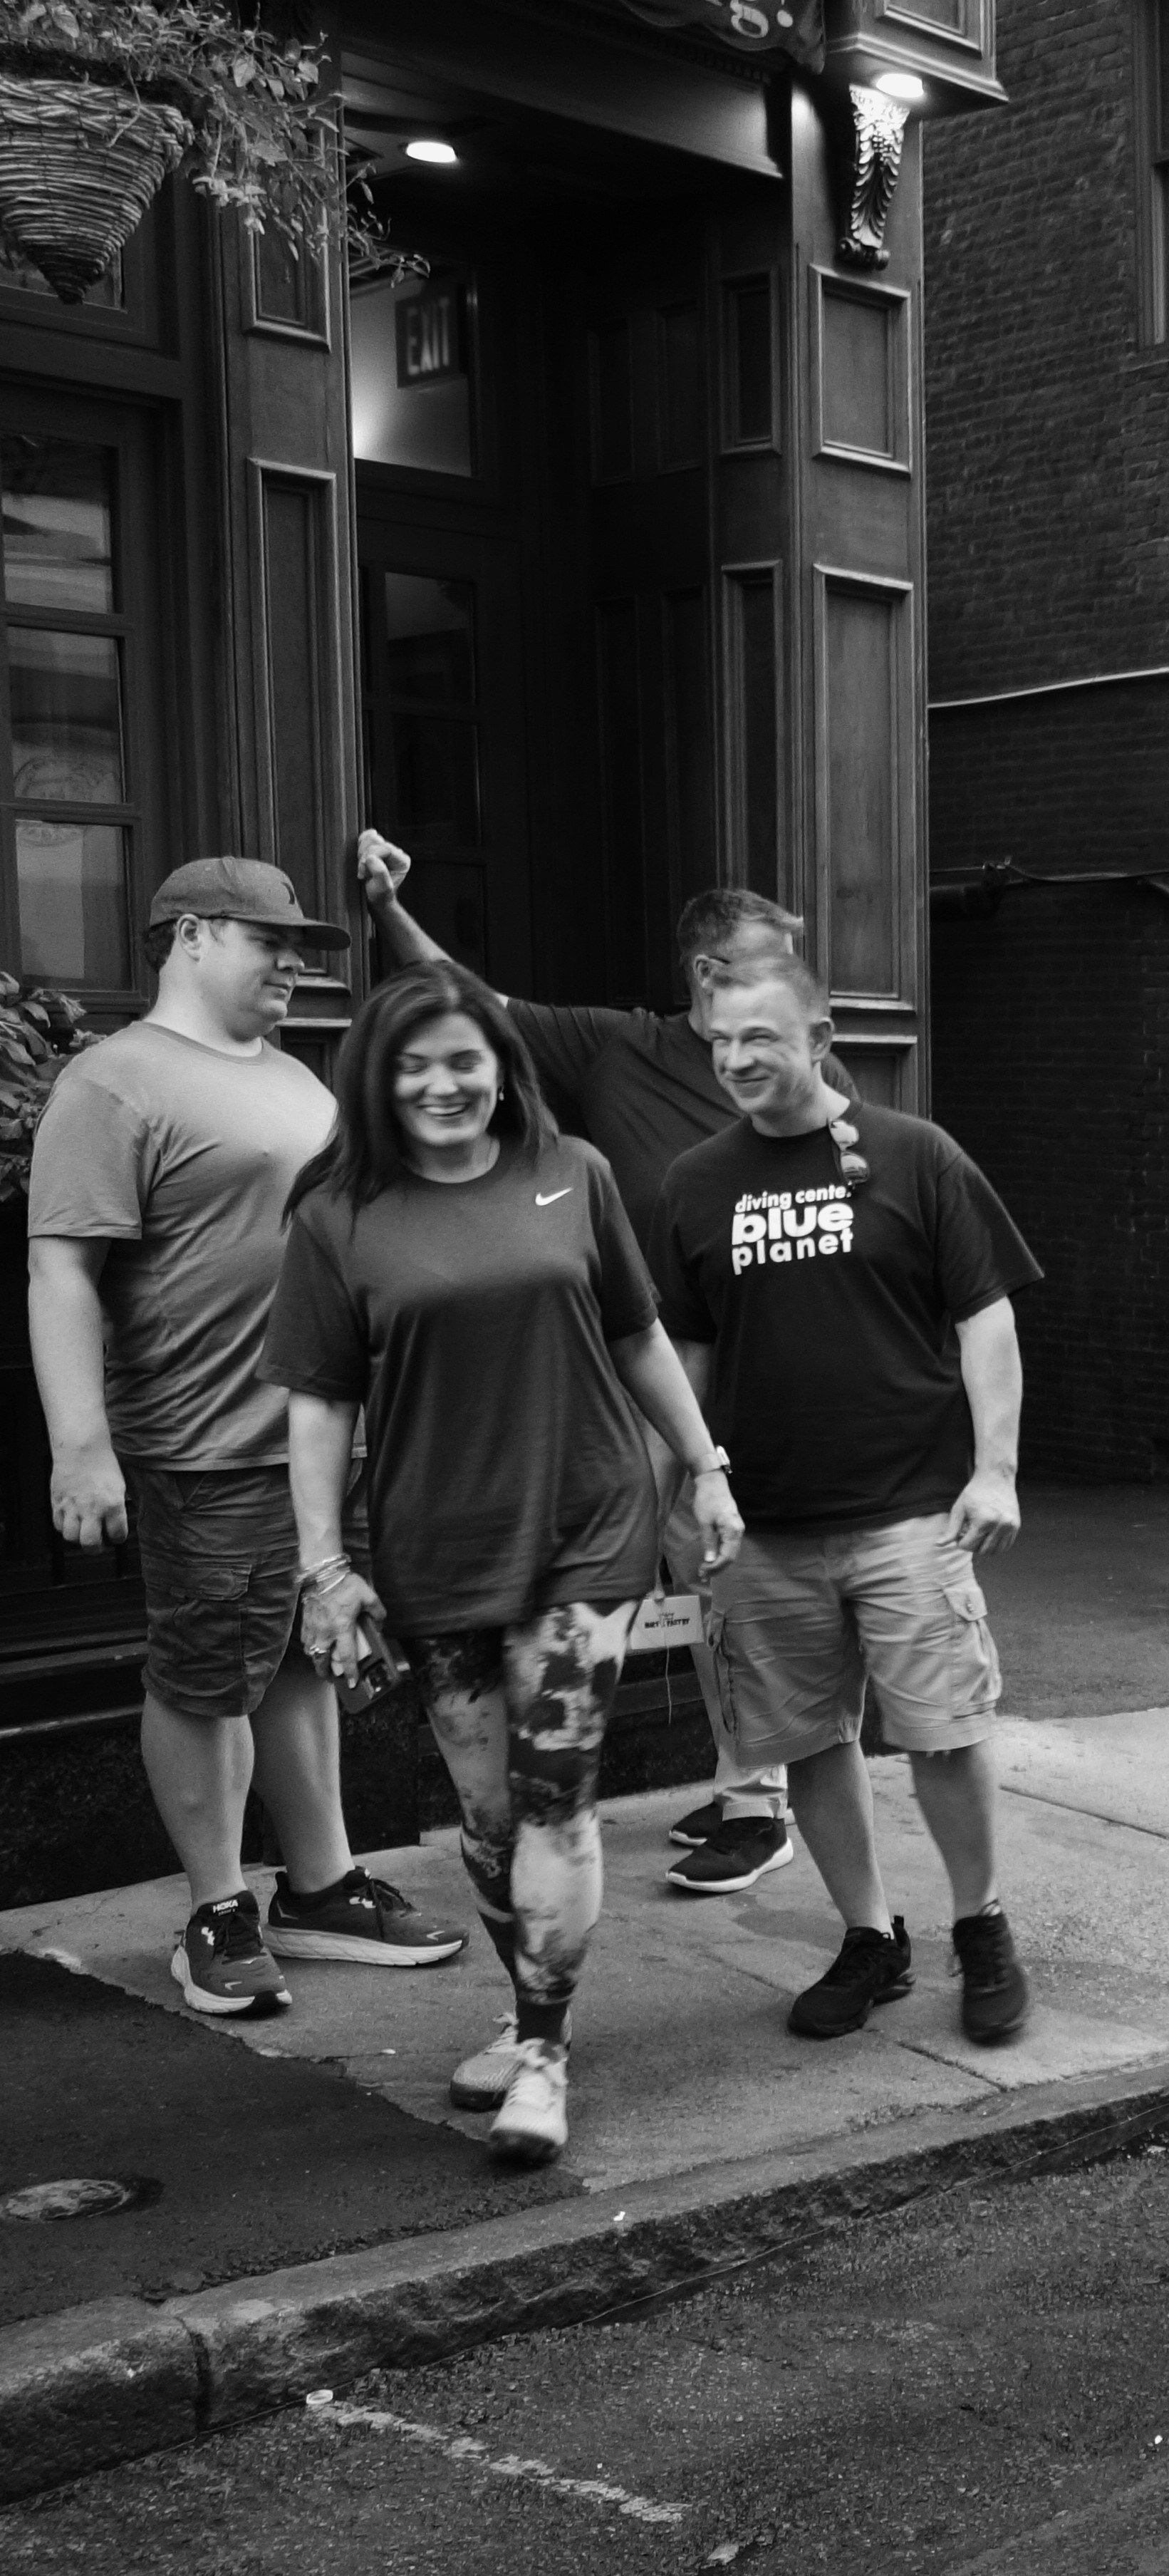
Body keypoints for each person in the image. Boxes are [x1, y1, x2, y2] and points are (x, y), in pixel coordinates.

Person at [266, 966, 744, 2163]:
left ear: (500, 1066)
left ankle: (543, 2052)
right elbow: (320, 1405)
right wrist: (325, 1567)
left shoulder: (571, 1173)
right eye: (415, 1063)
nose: (442, 1082)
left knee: (555, 1794)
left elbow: (637, 1332)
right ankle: (528, 2009)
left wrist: (705, 1465)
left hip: (586, 1525)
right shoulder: (337, 1217)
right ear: (377, 1078)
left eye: (463, 1058)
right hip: (436, 1548)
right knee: (485, 1820)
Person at [26, 858, 466, 2018]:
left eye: (302, 947)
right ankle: (216, 1911)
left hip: (320, 1441)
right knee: (207, 1673)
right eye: (269, 943)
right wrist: (80, 1445)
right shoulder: (113, 1081)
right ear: (189, 937)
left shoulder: (294, 1080)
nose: (295, 965)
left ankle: (318, 1887)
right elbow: (62, 1270)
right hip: (203, 1444)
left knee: (296, 1656)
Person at [355, 834, 834, 1897]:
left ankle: (757, 1801)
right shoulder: (621, 1048)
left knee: (728, 1578)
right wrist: (388, 906)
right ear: (710, 975)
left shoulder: (806, 1064)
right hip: (626, 1368)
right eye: (768, 962)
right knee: (668, 1565)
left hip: (752, 1373)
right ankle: (567, 1798)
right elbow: (475, 1005)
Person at [658, 957, 1045, 2045]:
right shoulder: (694, 1180)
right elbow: (681, 1350)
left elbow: (987, 1319)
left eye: (760, 1041)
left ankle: (983, 1927)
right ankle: (871, 1939)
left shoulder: (917, 1157)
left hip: (911, 1511)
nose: (736, 1061)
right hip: (764, 1526)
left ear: (820, 1035)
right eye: (721, 1042)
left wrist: (997, 1468)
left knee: (945, 1732)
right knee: (809, 1741)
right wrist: (684, 1488)